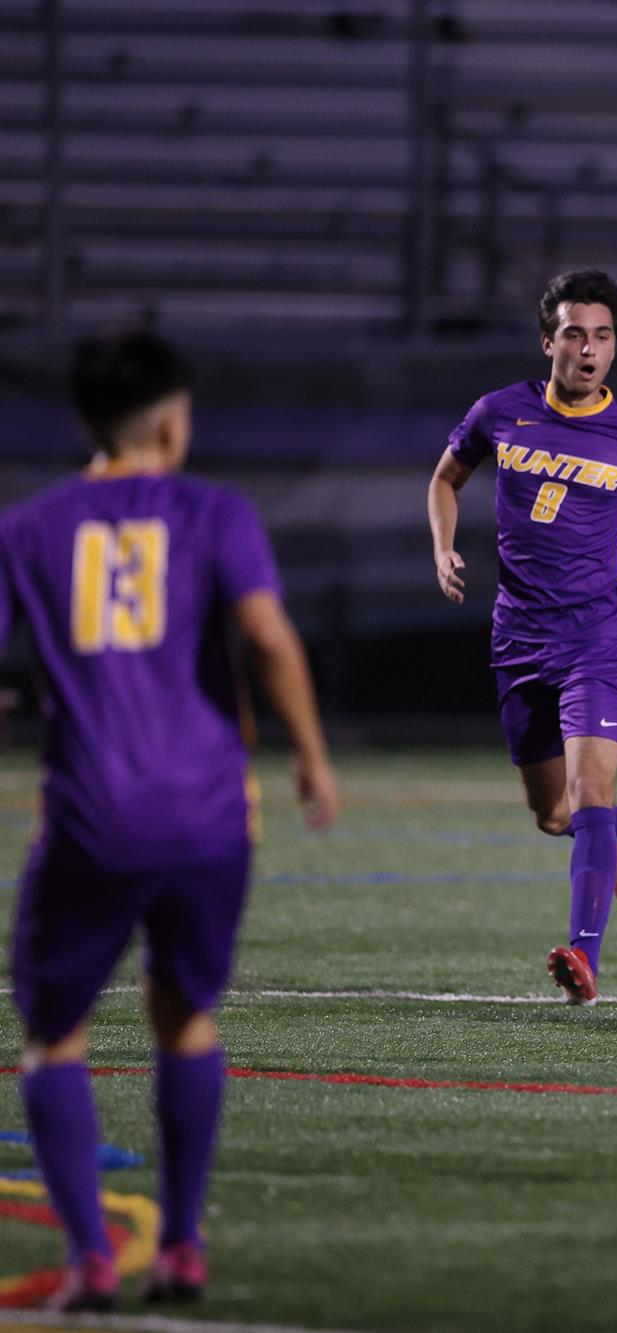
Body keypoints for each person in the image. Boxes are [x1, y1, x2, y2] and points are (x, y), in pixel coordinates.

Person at [0, 330, 341, 1309]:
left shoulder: (29, 528)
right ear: (169, 419)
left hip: (91, 814)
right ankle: (185, 1244)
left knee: (54, 1035)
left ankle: (92, 1261)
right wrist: (310, 752)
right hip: (208, 812)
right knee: (185, 1015)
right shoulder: (214, 511)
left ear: (86, 420)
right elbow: (269, 636)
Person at [427, 269, 617, 1005]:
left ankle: (584, 959)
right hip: (517, 637)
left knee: (586, 792)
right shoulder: (499, 413)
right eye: (575, 334)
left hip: (598, 640)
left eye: (603, 336)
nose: (588, 349)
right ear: (547, 339)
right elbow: (444, 480)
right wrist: (442, 545)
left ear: (615, 347)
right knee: (554, 813)